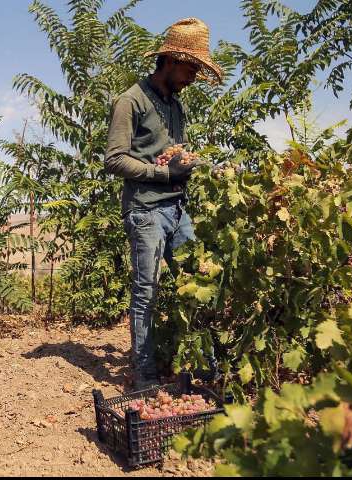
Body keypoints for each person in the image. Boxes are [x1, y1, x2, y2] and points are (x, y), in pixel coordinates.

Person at [104, 18, 223, 390]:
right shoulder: (131, 101)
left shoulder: (175, 104)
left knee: (197, 281)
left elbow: (173, 156)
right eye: (190, 70)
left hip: (176, 208)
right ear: (171, 61)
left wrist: (204, 166)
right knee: (146, 292)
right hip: (145, 210)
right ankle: (144, 375)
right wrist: (164, 176)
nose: (192, 78)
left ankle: (206, 366)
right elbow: (114, 160)